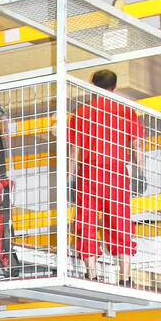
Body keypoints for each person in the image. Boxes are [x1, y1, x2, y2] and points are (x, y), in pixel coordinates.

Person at [67, 67, 145, 286]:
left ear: (92, 86)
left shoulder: (81, 113)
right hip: (117, 173)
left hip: (89, 174)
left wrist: (70, 178)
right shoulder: (126, 111)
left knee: (86, 221)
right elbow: (137, 144)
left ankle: (91, 273)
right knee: (121, 222)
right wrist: (140, 172)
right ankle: (125, 276)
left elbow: (74, 150)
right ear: (115, 88)